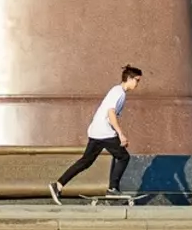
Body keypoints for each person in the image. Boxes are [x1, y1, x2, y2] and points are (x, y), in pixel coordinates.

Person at [48, 65, 143, 204]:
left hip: (96, 131)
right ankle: (112, 189)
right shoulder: (119, 93)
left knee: (86, 161)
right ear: (129, 78)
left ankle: (58, 185)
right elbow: (111, 113)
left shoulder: (116, 91)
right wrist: (121, 134)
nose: (137, 84)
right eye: (137, 80)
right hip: (105, 132)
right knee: (123, 157)